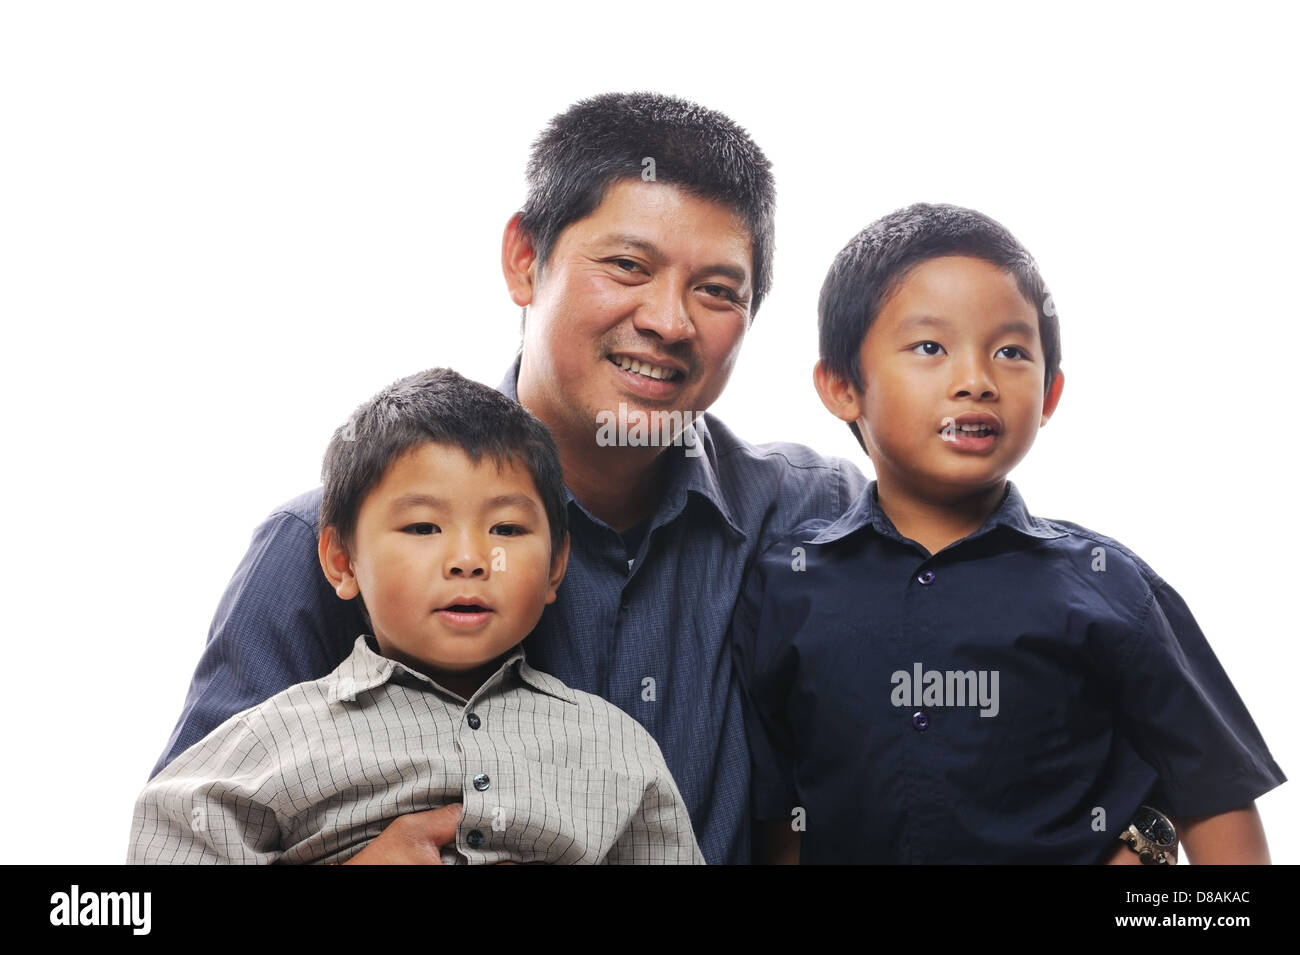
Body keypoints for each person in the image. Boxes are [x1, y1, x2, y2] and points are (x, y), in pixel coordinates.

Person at [147, 92, 866, 864]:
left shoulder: (816, 517)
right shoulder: (324, 541)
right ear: (526, 260)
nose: (669, 320)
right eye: (627, 265)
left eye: (718, 290)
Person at [733, 203, 1286, 864]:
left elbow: (1215, 797)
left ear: (1050, 394)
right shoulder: (784, 587)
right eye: (931, 347)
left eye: (1011, 351)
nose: (976, 381)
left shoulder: (1110, 587)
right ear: (843, 386)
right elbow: (780, 817)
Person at [130, 369, 703, 864]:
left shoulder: (617, 748)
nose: (470, 560)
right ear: (341, 559)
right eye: (423, 528)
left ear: (556, 566)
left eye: (506, 529)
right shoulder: (275, 738)